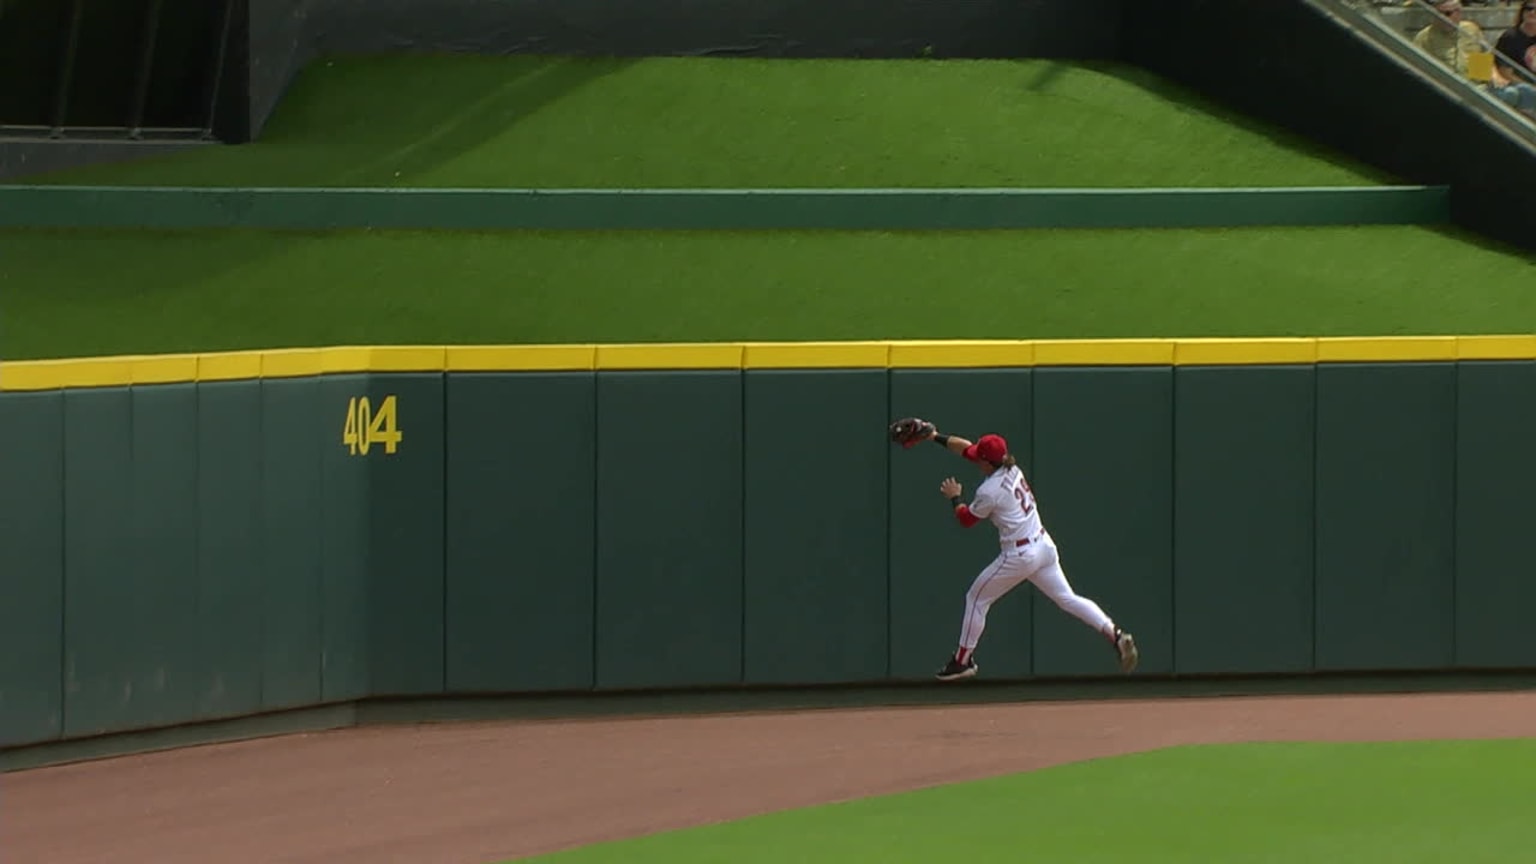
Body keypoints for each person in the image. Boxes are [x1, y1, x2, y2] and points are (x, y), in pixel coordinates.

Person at [919, 426, 1138, 681]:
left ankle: (962, 661)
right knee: (1067, 598)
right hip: (1043, 546)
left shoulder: (989, 492)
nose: (975, 456)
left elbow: (966, 519)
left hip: (1019, 555)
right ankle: (1115, 634)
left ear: (988, 461)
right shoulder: (1012, 467)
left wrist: (955, 498)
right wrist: (934, 437)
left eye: (980, 456)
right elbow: (967, 449)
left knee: (976, 599)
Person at [1412, 0, 1487, 79]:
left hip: (1475, 86)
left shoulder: (1471, 30)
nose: (1442, 18)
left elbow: (1483, 58)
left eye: (1447, 13)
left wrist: (1488, 79)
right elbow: (1417, 69)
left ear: (1458, 13)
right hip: (1446, 87)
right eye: (1438, 14)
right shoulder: (1424, 37)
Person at [1490, 1, 1536, 117]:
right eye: (1529, 8)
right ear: (1522, 11)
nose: (1532, 12)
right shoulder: (1510, 37)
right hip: (1519, 86)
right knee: (1527, 90)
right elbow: (1505, 73)